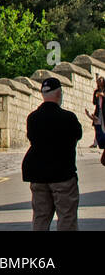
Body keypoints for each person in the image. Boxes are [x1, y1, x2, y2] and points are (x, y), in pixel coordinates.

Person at [22, 76, 82, 230]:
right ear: (59, 94)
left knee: (40, 217)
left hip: (38, 174)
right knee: (67, 217)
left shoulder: (33, 118)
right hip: (63, 174)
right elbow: (77, 135)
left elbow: (31, 138)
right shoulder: (68, 118)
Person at [84, 76, 105, 149]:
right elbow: (94, 102)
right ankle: (96, 143)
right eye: (99, 81)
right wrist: (97, 96)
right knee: (97, 126)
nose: (100, 82)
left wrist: (103, 95)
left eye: (101, 81)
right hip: (99, 110)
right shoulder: (96, 91)